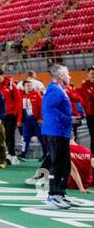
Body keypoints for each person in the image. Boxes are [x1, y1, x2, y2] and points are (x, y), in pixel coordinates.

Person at [42, 65, 75, 209]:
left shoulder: (59, 89)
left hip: (61, 131)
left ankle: (60, 193)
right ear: (61, 76)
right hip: (56, 131)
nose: (69, 77)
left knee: (65, 164)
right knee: (57, 163)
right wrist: (67, 119)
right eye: (67, 74)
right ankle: (53, 194)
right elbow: (49, 109)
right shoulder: (54, 90)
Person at [0, 68, 21, 160]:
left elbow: (18, 99)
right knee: (0, 135)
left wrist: (16, 113)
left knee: (9, 135)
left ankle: (12, 154)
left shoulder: (11, 85)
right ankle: (3, 153)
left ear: (3, 75)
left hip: (10, 114)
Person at [20, 76, 44, 160]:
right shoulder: (20, 95)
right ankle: (23, 154)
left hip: (36, 119)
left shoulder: (37, 94)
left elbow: (42, 107)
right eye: (28, 85)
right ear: (24, 86)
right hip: (26, 120)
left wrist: (41, 118)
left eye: (31, 85)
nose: (30, 87)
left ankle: (45, 154)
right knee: (25, 138)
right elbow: (19, 108)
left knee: (41, 137)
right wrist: (19, 120)